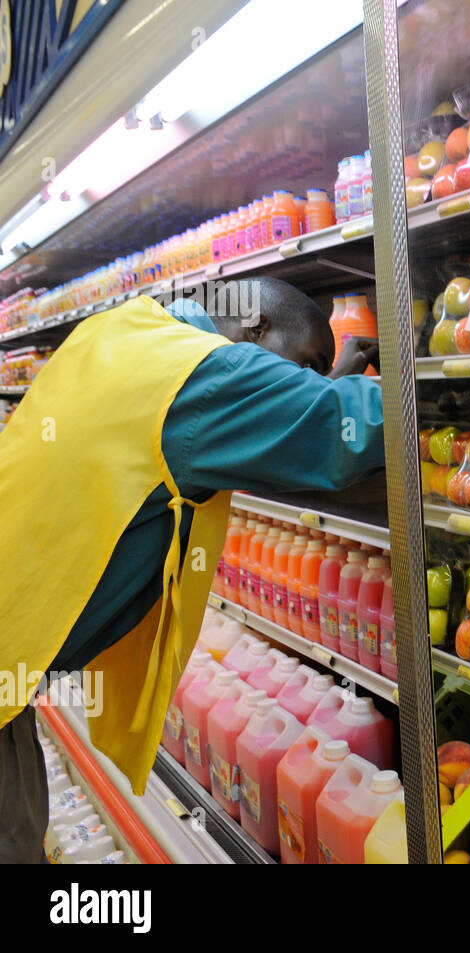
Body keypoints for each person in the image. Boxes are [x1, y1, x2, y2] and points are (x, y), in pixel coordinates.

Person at [0, 277, 384, 863]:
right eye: (304, 362)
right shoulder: (200, 373)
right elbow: (346, 427)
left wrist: (320, 380)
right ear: (254, 329)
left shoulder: (124, 333)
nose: (302, 380)